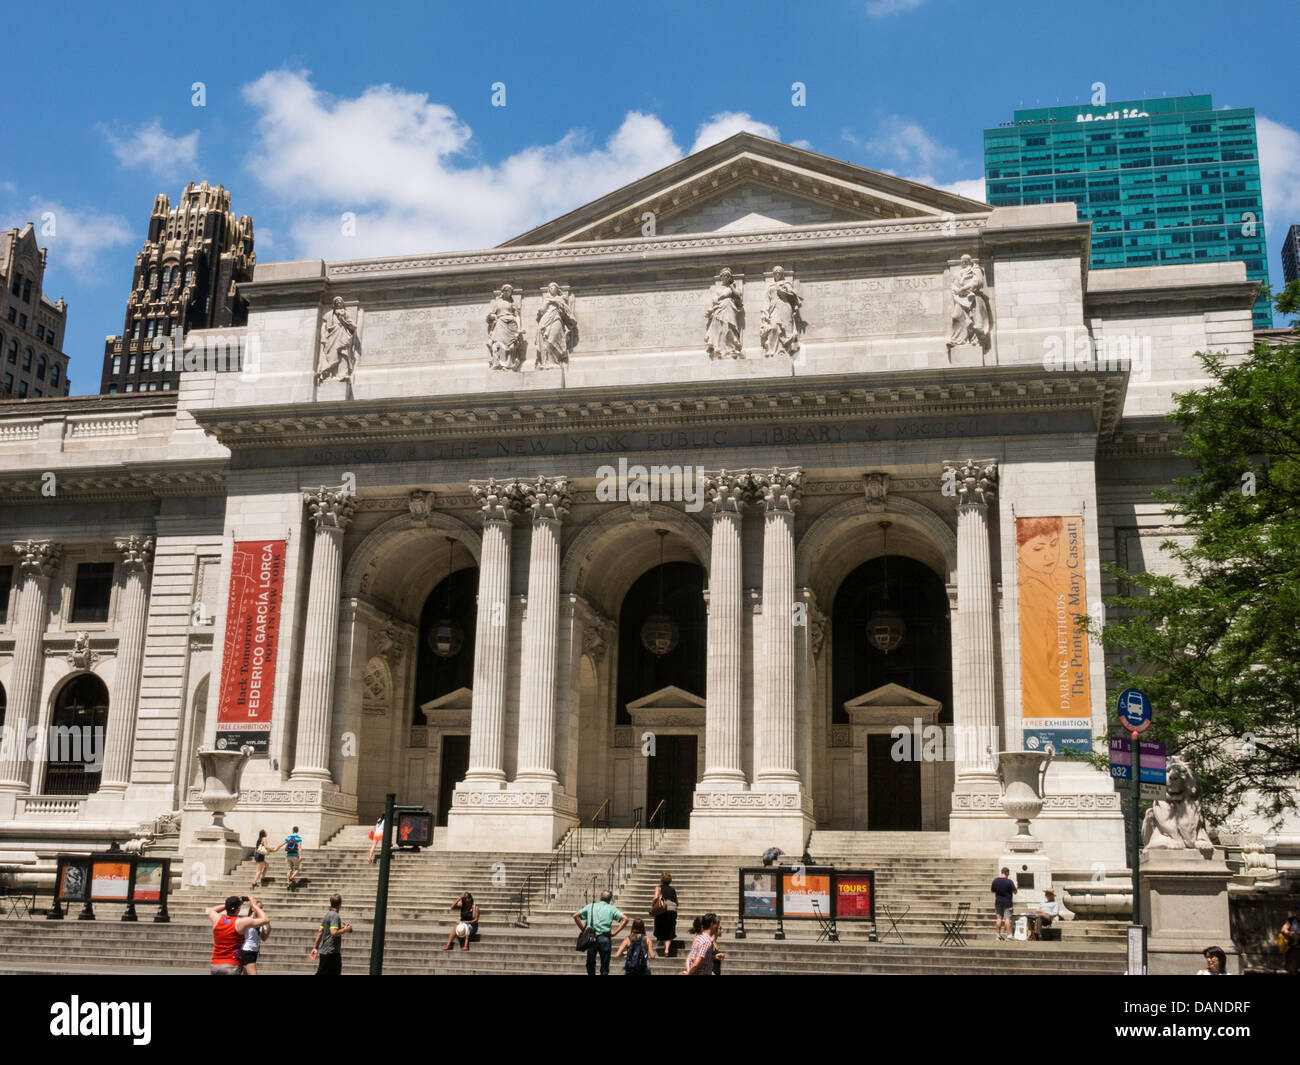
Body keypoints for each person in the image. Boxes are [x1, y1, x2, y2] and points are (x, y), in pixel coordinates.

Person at [206, 894, 268, 976]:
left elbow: (212, 910)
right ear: (238, 909)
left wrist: (230, 904)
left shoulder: (217, 919)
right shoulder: (240, 922)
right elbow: (265, 919)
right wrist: (254, 905)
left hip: (215, 964)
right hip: (232, 965)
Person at [573, 890, 627, 976]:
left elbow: (575, 916)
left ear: (600, 897)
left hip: (591, 938)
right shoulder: (611, 908)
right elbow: (625, 919)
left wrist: (584, 929)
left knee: (590, 963)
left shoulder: (591, 906)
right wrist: (615, 933)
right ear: (610, 899)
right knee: (604, 965)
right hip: (605, 937)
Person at [310, 893, 352, 975]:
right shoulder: (334, 915)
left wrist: (315, 948)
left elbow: (320, 932)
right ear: (340, 904)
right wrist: (345, 929)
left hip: (325, 952)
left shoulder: (327, 915)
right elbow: (333, 932)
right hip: (332, 952)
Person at [652, 872, 678, 957]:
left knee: (662, 927)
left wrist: (653, 904)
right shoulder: (673, 890)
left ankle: (663, 946)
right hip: (672, 909)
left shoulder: (658, 888)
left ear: (661, 879)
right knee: (669, 929)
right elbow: (676, 902)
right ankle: (667, 949)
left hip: (662, 909)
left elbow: (656, 898)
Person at [240, 900, 270, 975]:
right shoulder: (247, 919)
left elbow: (264, 938)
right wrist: (254, 913)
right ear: (253, 908)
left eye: (261, 908)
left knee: (245, 973)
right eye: (258, 907)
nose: (260, 910)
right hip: (246, 949)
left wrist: (268, 930)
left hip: (254, 951)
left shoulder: (261, 922)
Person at [991, 867, 1017, 941]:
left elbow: (993, 890)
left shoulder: (995, 881)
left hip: (998, 902)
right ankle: (1009, 935)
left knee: (999, 918)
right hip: (1007, 902)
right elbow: (1015, 892)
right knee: (1007, 918)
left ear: (1001, 872)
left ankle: (998, 935)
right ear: (1007, 873)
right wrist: (1016, 887)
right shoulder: (1009, 881)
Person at [1281, 907, 1300, 974]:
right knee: (1292, 970)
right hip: (1293, 949)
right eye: (1297, 911)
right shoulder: (1291, 920)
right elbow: (1283, 929)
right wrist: (1291, 934)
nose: (1299, 913)